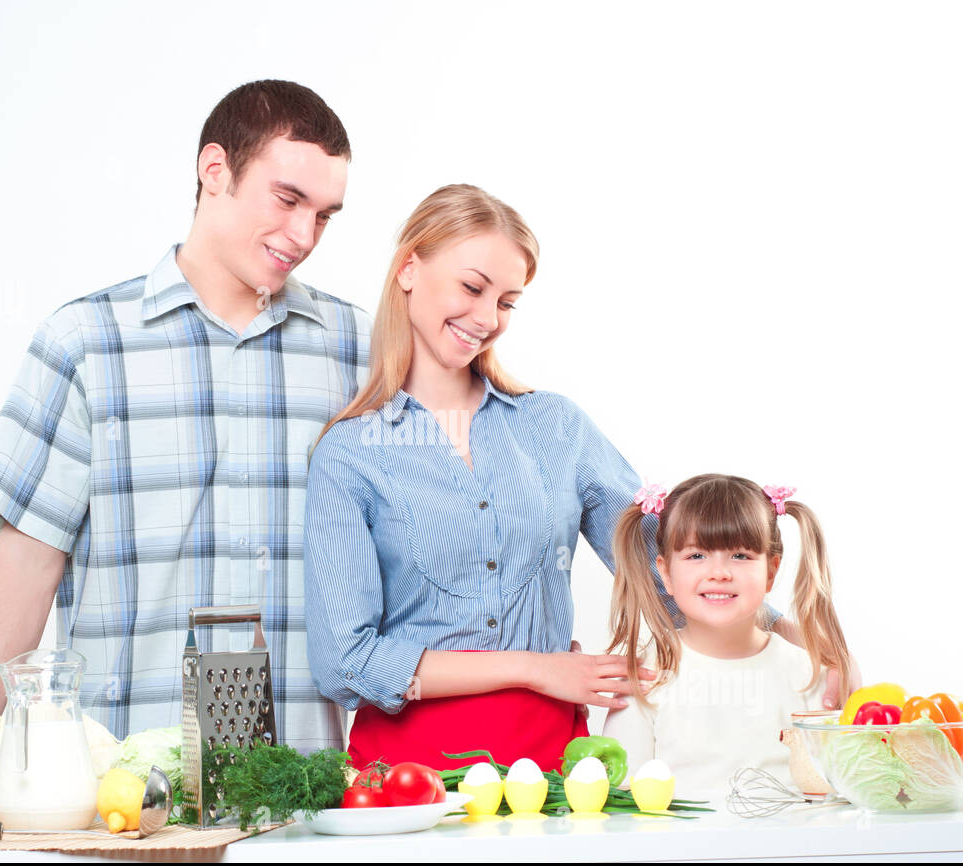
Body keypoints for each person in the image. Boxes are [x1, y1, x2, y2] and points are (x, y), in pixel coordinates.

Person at [0, 80, 371, 760]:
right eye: (288, 199)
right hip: (121, 787)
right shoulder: (87, 340)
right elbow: (28, 558)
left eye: (324, 215)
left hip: (301, 786)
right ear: (215, 171)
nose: (304, 235)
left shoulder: (358, 348)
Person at [306, 185, 725, 772]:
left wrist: (799, 639)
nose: (487, 318)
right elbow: (344, 662)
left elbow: (674, 569)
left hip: (552, 766)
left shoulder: (555, 427)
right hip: (406, 779)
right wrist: (535, 667)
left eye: (507, 301)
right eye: (472, 288)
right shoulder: (350, 454)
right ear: (408, 269)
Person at [601, 474, 855, 800]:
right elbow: (619, 795)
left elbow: (838, 791)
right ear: (665, 573)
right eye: (696, 556)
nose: (719, 572)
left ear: (771, 572)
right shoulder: (644, 676)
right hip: (675, 850)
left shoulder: (808, 675)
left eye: (740, 556)